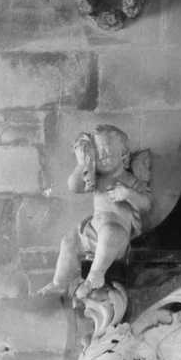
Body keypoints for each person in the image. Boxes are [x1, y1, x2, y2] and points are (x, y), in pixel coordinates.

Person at [40, 125, 151, 299]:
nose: (103, 155)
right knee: (69, 241)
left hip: (117, 232)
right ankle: (59, 283)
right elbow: (73, 186)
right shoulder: (97, 180)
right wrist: (83, 163)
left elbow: (146, 204)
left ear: (123, 153)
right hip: (93, 229)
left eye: (109, 150)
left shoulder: (129, 180)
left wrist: (128, 194)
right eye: (98, 152)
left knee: (109, 232)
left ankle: (94, 277)